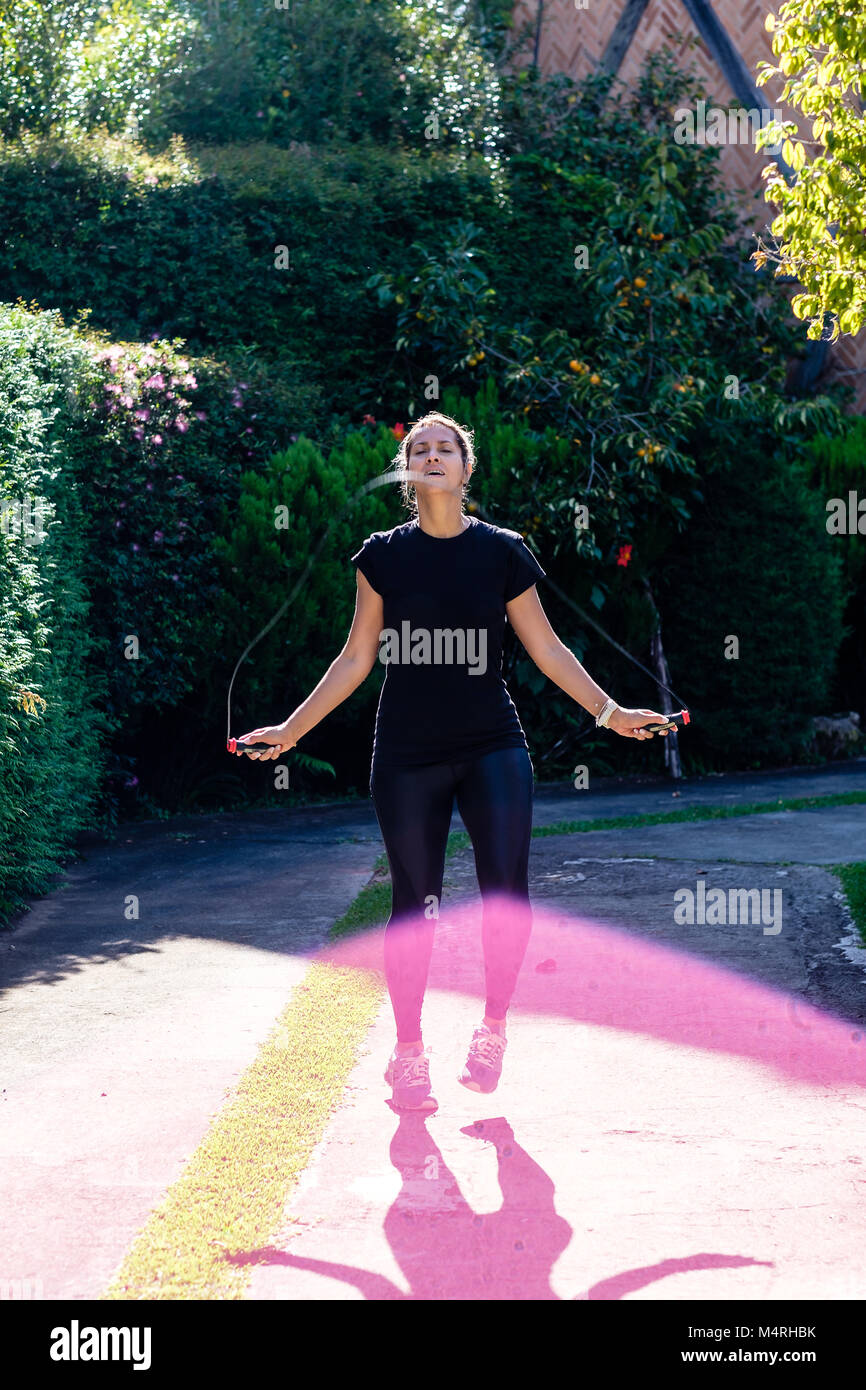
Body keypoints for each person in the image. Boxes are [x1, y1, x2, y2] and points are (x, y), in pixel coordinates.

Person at [232, 411, 668, 1113]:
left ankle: (492, 1029)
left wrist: (609, 711)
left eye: (446, 448)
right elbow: (355, 657)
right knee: (415, 905)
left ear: (467, 469)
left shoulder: (503, 553)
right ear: (409, 473)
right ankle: (408, 1054)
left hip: (492, 744)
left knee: (507, 893)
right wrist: (290, 730)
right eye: (419, 449)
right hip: (406, 754)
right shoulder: (383, 556)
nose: (432, 455)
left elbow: (547, 649)